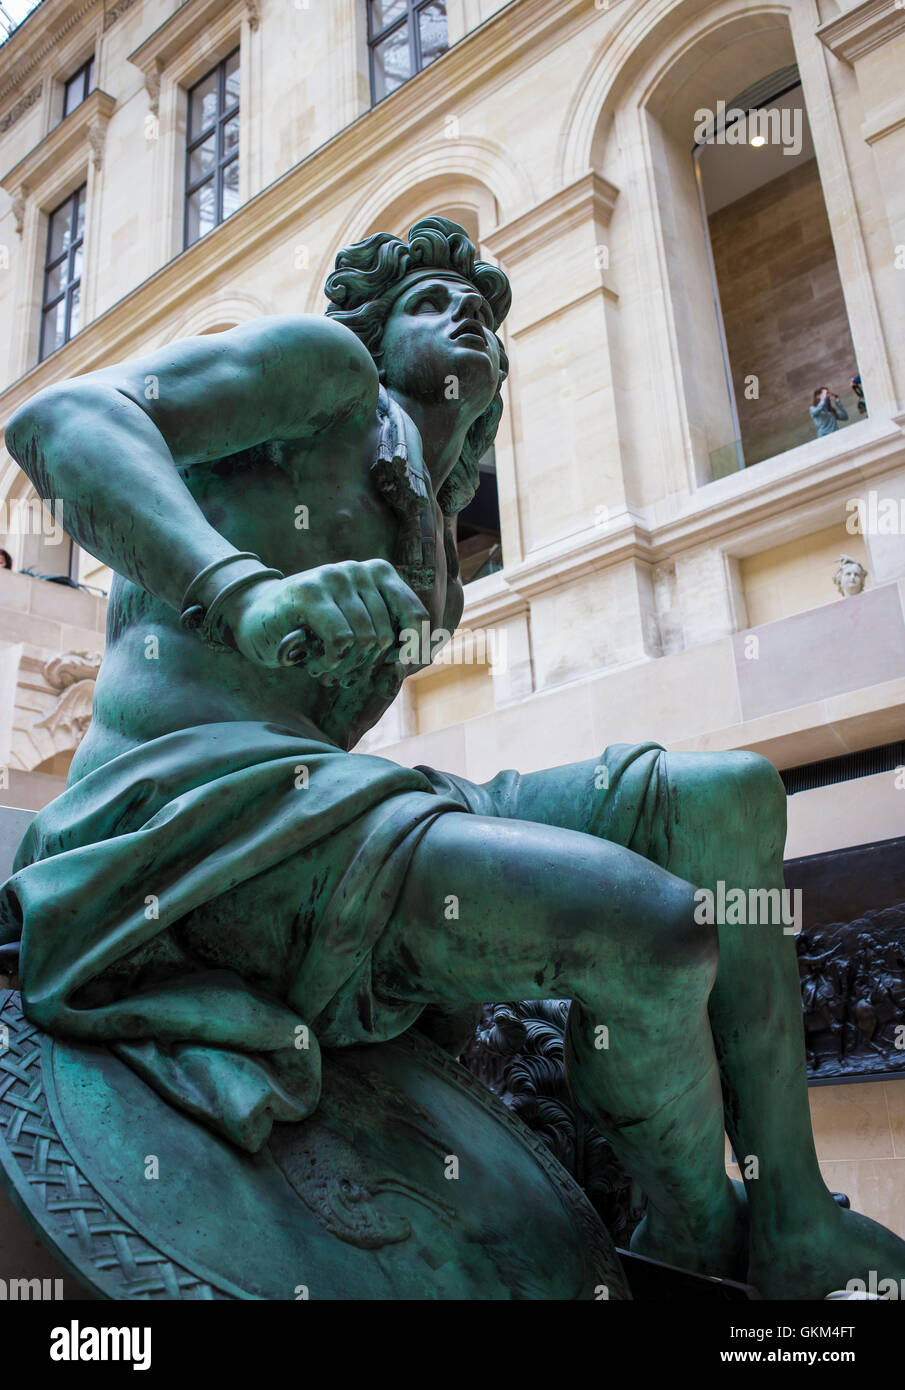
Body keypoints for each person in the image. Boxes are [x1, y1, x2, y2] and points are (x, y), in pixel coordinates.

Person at [1, 217, 903, 1300]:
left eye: (481, 314)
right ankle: (697, 1238)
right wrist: (240, 587)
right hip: (187, 819)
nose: (467, 315)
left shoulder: (432, 546)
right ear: (373, 339)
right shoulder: (324, 381)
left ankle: (794, 1216)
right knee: (649, 932)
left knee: (728, 798)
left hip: (333, 806)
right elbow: (58, 418)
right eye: (428, 302)